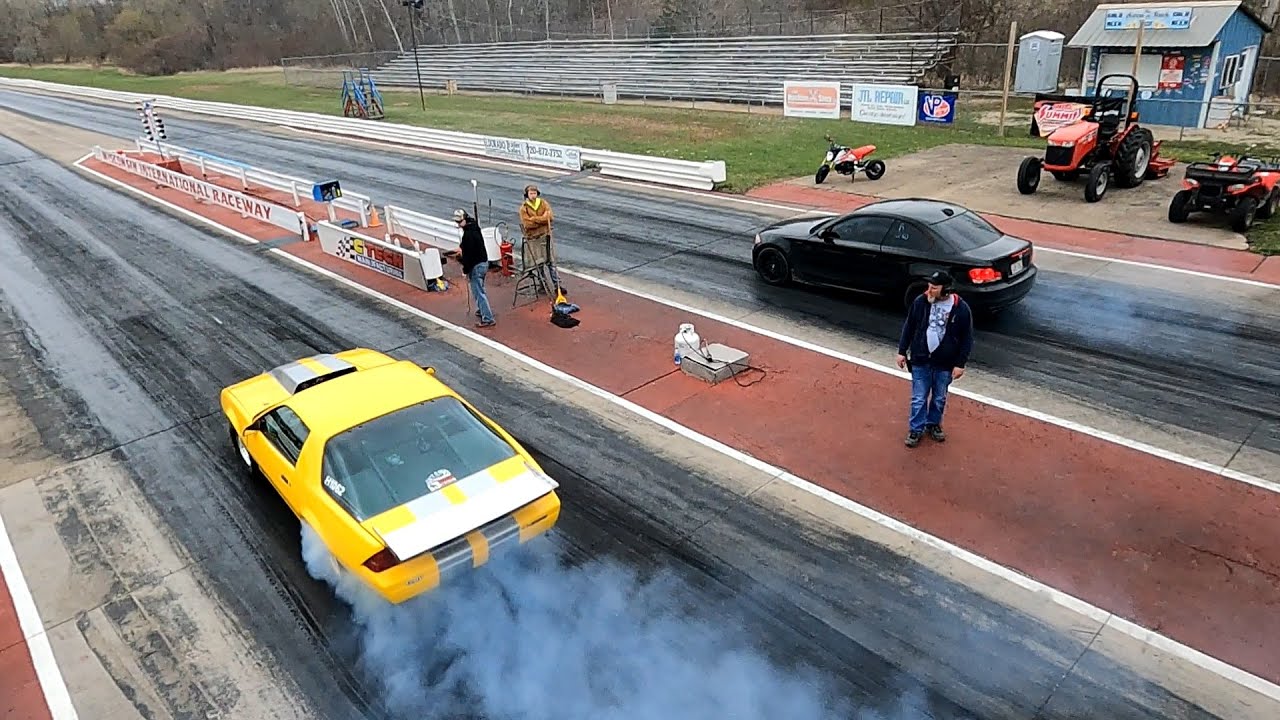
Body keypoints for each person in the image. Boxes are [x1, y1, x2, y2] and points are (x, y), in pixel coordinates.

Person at [895, 270, 973, 448]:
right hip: (921, 359)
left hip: (945, 363)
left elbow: (967, 338)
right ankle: (916, 429)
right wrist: (902, 350)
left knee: (939, 398)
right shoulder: (921, 302)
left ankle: (933, 424)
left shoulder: (961, 309)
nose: (929, 290)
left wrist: (960, 364)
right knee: (919, 398)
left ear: (945, 290)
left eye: (934, 288)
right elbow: (909, 326)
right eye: (929, 286)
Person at [517, 184, 563, 293]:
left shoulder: (543, 203)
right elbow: (527, 224)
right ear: (527, 195)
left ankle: (558, 286)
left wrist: (535, 219)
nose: (533, 195)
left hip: (545, 236)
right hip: (533, 239)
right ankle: (543, 285)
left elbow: (550, 217)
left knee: (551, 262)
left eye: (534, 193)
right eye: (531, 193)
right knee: (539, 264)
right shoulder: (524, 208)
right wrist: (542, 220)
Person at [455, 209, 494, 328]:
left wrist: (465, 269)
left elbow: (469, 256)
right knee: (480, 289)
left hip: (476, 265)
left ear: (464, 220)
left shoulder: (467, 235)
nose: (458, 224)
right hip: (484, 262)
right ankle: (482, 310)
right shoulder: (475, 227)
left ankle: (487, 318)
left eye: (459, 222)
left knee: (478, 292)